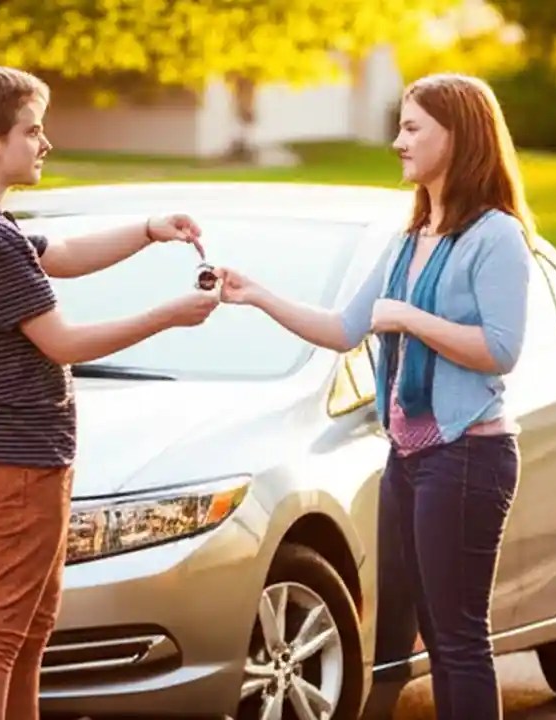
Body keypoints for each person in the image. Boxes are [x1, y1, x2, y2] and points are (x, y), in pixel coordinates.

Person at [214, 73, 535, 720]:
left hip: (468, 457)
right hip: (410, 459)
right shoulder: (406, 241)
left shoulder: (495, 237)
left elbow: (500, 349)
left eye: (413, 128)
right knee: (417, 637)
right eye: (400, 125)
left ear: (459, 135)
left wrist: (409, 318)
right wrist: (258, 294)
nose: (398, 141)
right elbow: (343, 329)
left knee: (459, 638)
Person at [0, 64, 220, 720]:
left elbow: (64, 252)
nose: (45, 143)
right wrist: (167, 315)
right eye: (33, 131)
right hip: (16, 453)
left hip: (32, 452)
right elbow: (63, 342)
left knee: (30, 627)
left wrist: (149, 228)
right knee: (1, 629)